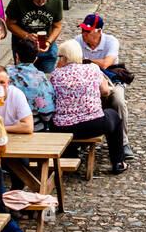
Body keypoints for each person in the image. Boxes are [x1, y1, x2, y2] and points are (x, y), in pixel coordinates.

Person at [50, 39, 126, 174]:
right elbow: (104, 91)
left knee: (54, 119)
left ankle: (71, 154)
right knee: (113, 115)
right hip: (93, 124)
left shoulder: (56, 75)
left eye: (59, 57)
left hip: (63, 127)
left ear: (65, 58)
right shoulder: (92, 69)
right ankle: (118, 161)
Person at [76, 12, 134, 160]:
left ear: (99, 31)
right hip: (86, 82)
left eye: (87, 32)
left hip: (110, 80)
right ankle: (76, 141)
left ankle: (123, 143)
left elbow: (107, 63)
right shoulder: (77, 41)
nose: (83, 35)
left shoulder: (111, 41)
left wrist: (86, 60)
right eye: (82, 30)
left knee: (118, 100)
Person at [5, 0, 64, 75]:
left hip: (46, 48)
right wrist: (26, 35)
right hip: (24, 48)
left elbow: (57, 26)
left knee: (46, 79)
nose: (41, 1)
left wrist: (48, 42)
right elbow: (9, 23)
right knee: (24, 78)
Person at [7, 39, 56, 129]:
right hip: (35, 126)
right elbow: (47, 113)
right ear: (35, 59)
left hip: (8, 123)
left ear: (17, 56)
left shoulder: (6, 74)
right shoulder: (41, 78)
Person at [0, 64, 33, 137]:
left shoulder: (16, 94)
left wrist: (1, 129)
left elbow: (29, 127)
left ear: (8, 83)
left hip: (13, 136)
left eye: (2, 82)